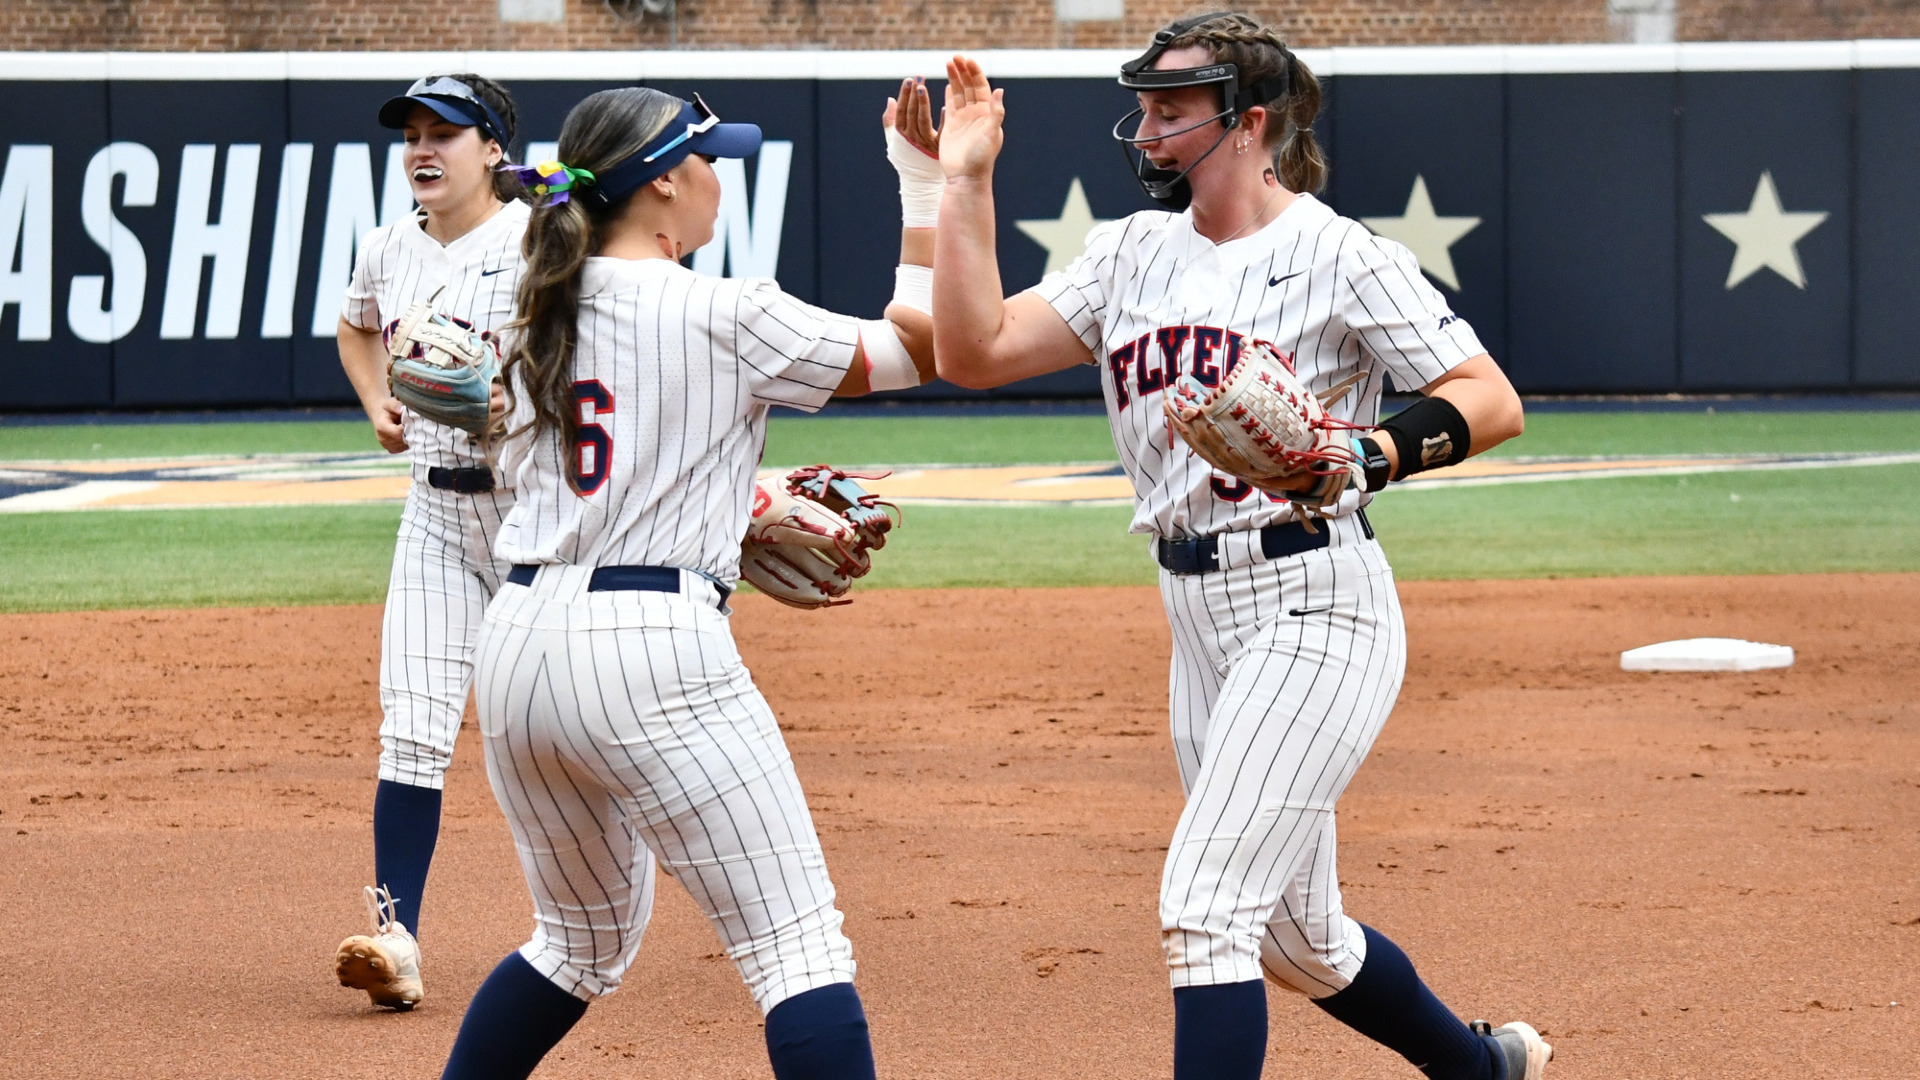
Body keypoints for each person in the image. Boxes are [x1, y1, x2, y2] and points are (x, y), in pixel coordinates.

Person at [928, 13, 1551, 1080]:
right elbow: (972, 351)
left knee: (1206, 908)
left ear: (1249, 121)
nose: (1147, 131)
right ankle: (1481, 1068)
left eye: (1171, 110)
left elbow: (1490, 400)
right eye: (1143, 109)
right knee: (1296, 942)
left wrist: (1371, 455)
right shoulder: (1128, 252)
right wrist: (964, 180)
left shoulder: (1339, 253)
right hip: (1196, 616)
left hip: (1315, 597)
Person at [434, 84, 937, 1080]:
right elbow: (917, 350)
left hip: (519, 645)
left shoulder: (525, 302)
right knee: (798, 950)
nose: (719, 178)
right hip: (652, 648)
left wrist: (732, 503)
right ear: (664, 182)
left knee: (574, 944)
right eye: (708, 158)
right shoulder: (726, 308)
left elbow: (566, 463)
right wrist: (923, 187)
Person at [332, 72, 525, 1011]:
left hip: (538, 519)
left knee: (576, 731)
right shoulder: (387, 246)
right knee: (412, 731)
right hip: (436, 521)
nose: (421, 148)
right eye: (411, 133)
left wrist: (520, 402)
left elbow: (606, 353)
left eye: (443, 132)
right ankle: (395, 938)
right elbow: (355, 326)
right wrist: (377, 402)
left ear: (491, 148)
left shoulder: (543, 242)